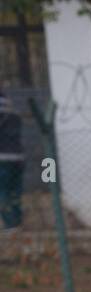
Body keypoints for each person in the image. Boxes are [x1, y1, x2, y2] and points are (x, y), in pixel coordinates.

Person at [0, 85, 23, 233]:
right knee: (15, 192)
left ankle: (10, 225)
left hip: (2, 157)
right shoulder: (12, 109)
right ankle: (17, 221)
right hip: (18, 156)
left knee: (3, 191)